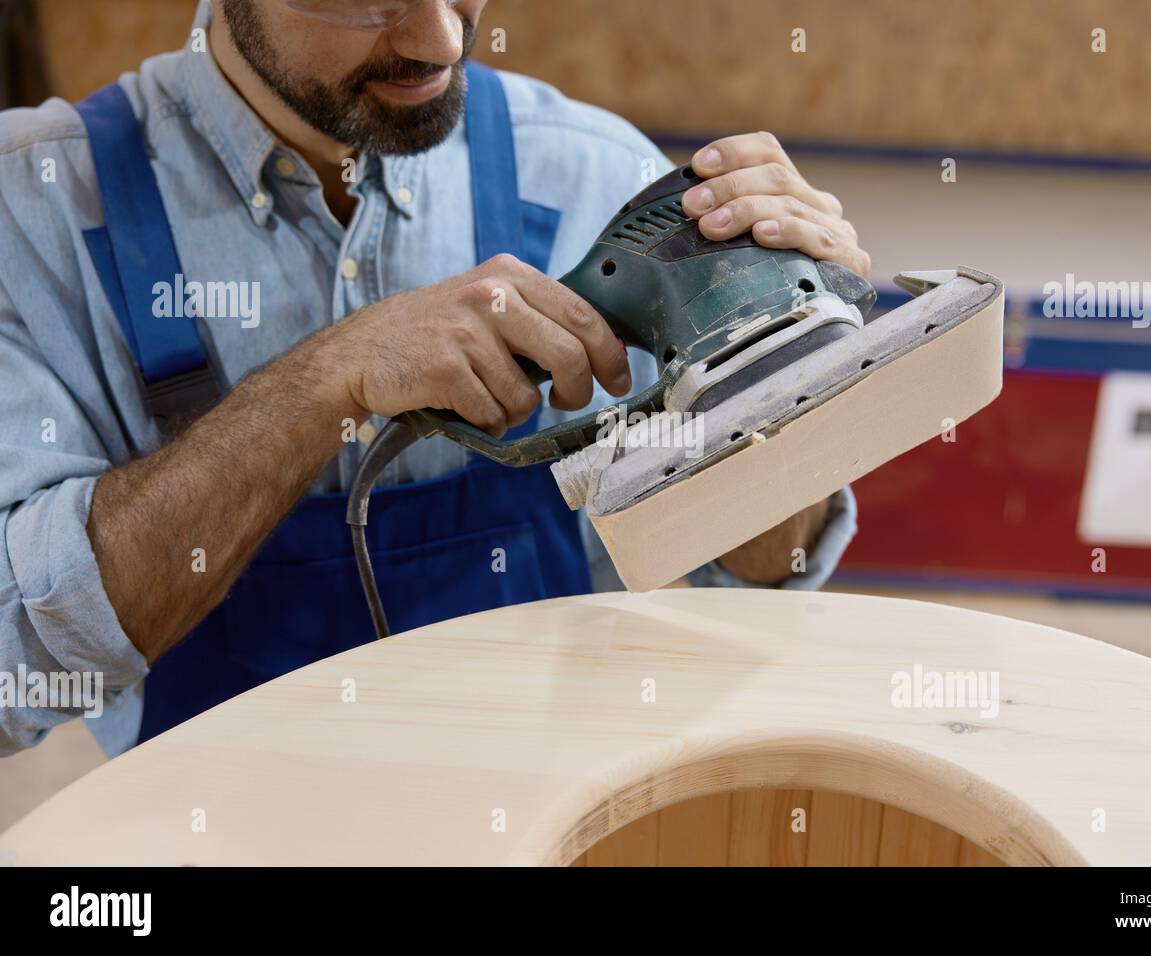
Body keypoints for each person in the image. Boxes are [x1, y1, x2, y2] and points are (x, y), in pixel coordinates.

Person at [0, 0, 868, 756]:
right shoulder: (36, 212)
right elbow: (13, 680)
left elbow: (757, 584)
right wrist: (320, 383)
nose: (441, 39)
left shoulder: (592, 176)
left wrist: (786, 369)